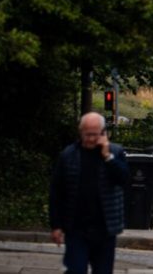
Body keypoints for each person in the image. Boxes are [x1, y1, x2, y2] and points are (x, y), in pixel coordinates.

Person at [50, 112, 129, 274]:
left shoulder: (116, 152)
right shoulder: (68, 155)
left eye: (95, 134)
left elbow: (124, 179)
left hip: (105, 228)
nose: (91, 139)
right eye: (87, 134)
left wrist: (108, 157)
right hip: (76, 227)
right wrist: (56, 225)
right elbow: (57, 191)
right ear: (81, 132)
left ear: (103, 133)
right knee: (76, 270)